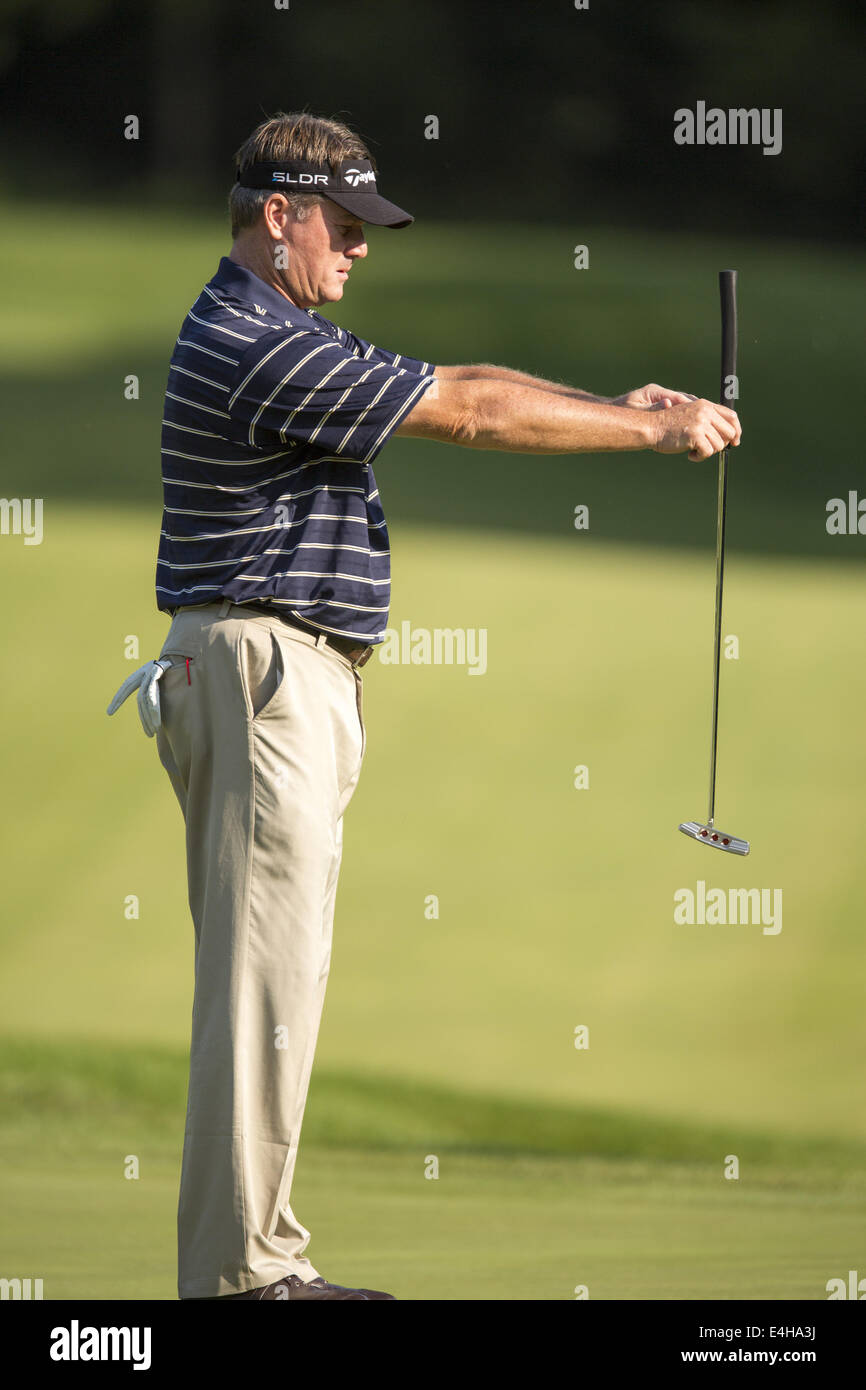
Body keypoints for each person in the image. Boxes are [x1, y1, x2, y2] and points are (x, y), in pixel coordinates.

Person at [107, 110, 741, 1302]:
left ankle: (255, 1264)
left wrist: (618, 404)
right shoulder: (257, 339)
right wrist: (650, 432)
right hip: (261, 669)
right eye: (341, 227)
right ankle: (246, 1281)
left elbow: (465, 382)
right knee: (261, 984)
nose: (358, 250)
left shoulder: (279, 323)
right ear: (277, 214)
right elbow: (469, 413)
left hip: (279, 674)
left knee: (278, 979)